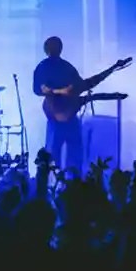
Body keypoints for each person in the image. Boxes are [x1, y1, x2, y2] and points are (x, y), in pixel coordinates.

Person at [33, 37, 85, 173]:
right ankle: (73, 183)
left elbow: (37, 89)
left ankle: (55, 185)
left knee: (53, 155)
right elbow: (80, 86)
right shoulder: (67, 67)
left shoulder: (43, 67)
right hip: (66, 116)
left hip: (57, 118)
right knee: (72, 154)